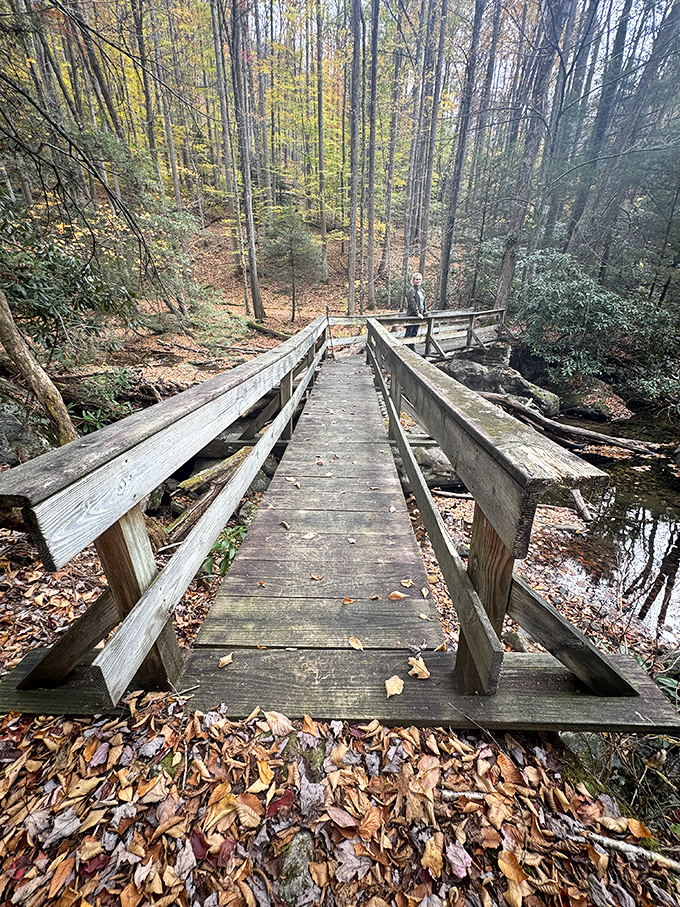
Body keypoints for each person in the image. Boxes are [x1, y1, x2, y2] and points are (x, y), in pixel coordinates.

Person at [404, 272, 426, 350]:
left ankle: (412, 348)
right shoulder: (411, 290)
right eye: (416, 279)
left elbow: (422, 302)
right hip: (412, 315)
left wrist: (424, 311)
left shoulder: (421, 291)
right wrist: (417, 313)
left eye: (419, 279)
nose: (418, 281)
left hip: (420, 314)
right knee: (409, 332)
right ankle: (406, 350)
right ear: (413, 280)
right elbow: (411, 303)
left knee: (414, 332)